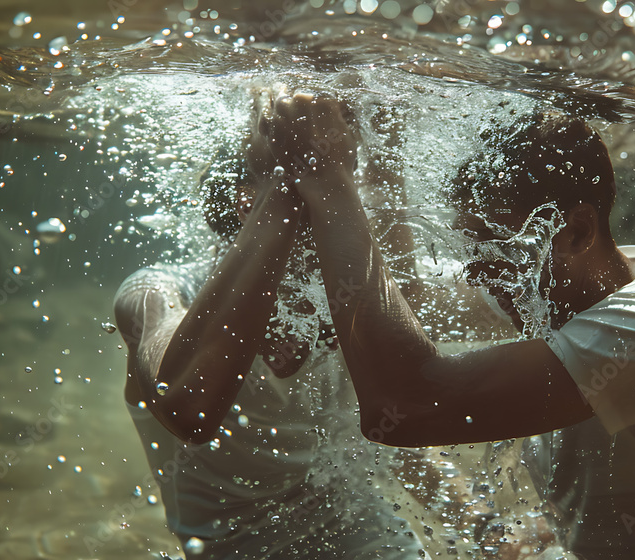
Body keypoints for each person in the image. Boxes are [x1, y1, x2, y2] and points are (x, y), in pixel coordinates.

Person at [263, 90, 635, 559]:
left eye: (494, 250)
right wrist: (385, 145)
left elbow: (401, 406)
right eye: (471, 250)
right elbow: (405, 299)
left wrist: (327, 181)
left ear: (575, 230)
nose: (479, 272)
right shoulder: (545, 284)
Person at [111, 91, 440, 559]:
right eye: (329, 185)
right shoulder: (158, 292)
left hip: (366, 530)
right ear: (251, 203)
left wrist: (484, 526)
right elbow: (189, 405)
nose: (345, 207)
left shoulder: (340, 296)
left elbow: (401, 404)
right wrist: (296, 175)